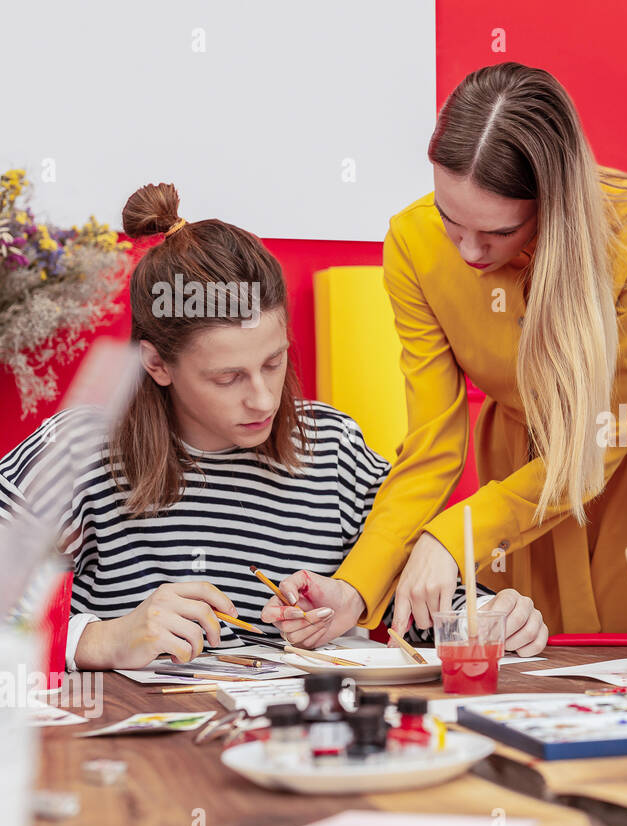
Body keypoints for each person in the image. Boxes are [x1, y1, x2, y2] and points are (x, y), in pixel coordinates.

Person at [0, 182, 544, 670]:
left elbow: (424, 598)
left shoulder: (331, 449)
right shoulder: (80, 453)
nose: (262, 398)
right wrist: (96, 640)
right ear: (157, 364)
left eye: (273, 362)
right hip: (136, 772)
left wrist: (490, 615)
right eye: (227, 376)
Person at [293, 62, 627, 642]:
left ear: (552, 205)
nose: (469, 251)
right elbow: (431, 446)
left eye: (499, 233)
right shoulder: (412, 243)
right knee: (532, 662)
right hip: (517, 483)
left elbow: (605, 435)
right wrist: (355, 589)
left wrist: (458, 533)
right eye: (449, 219)